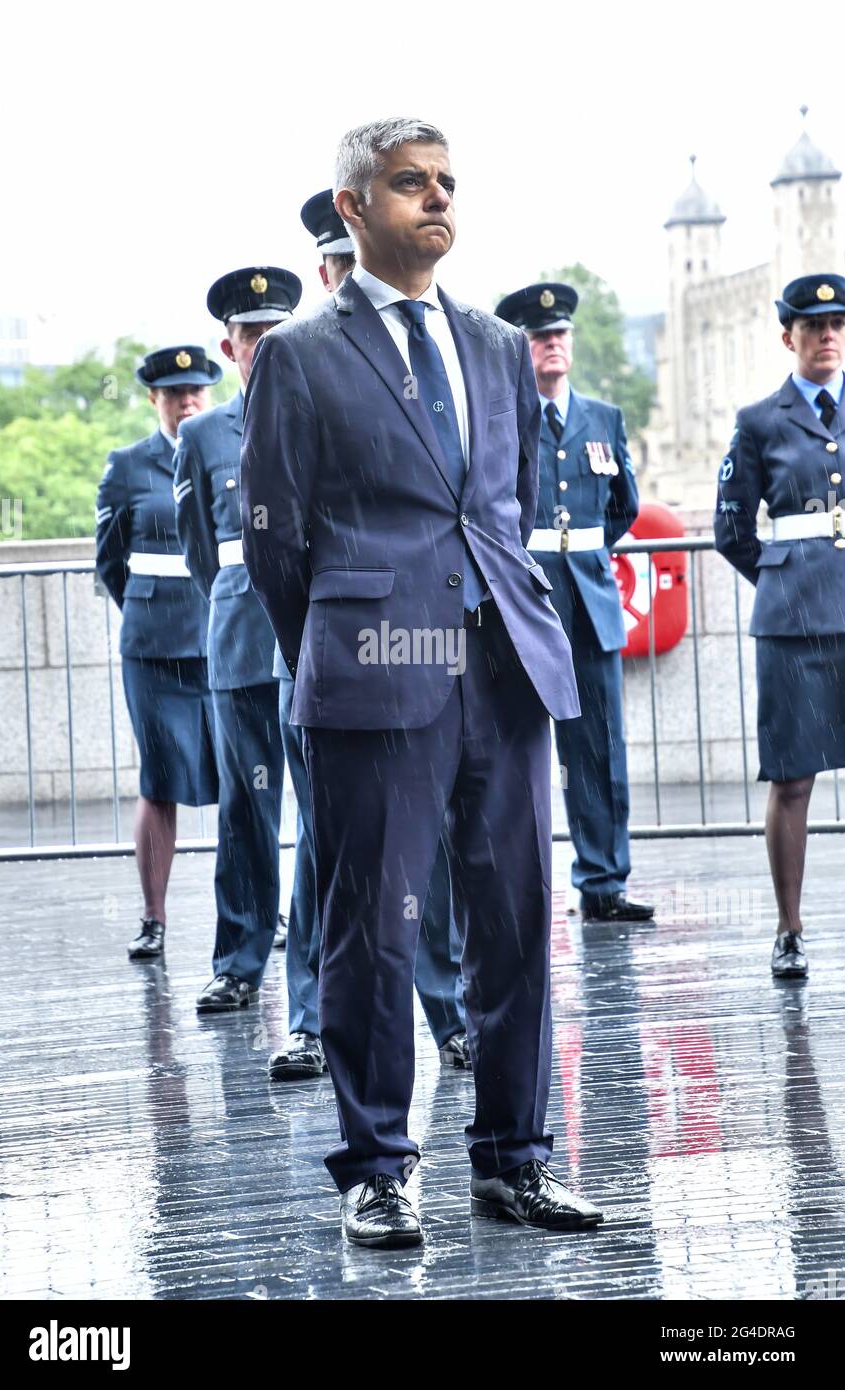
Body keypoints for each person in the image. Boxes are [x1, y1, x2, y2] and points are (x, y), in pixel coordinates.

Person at [242, 118, 603, 1248]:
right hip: (373, 678)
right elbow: (275, 542)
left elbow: (498, 505)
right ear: (352, 207)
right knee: (374, 931)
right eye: (409, 183)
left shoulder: (497, 346)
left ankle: (513, 1162)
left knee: (514, 923)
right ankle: (379, 1168)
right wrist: (341, 647)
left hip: (501, 671)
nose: (436, 199)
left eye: (446, 182)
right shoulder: (300, 355)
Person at [268, 189, 469, 1081]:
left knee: (436, 863)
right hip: (335, 658)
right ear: (330, 268)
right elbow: (274, 540)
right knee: (340, 862)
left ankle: (449, 1010)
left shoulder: (462, 355)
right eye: (346, 269)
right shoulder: (302, 361)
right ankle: (311, 1016)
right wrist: (322, 643)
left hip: (444, 654)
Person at [495, 283, 654, 925]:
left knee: (599, 750)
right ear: (520, 349)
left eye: (560, 333)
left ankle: (603, 881)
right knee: (515, 749)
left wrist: (581, 554)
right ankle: (514, 883)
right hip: (528, 601)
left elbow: (624, 508)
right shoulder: (501, 418)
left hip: (589, 601)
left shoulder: (604, 419)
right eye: (539, 336)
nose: (552, 343)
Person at [174, 267, 301, 1012]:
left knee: (321, 816)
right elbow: (200, 550)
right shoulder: (200, 435)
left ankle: (320, 986)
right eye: (252, 334)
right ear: (230, 347)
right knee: (245, 811)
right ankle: (240, 961)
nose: (264, 344)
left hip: (312, 640)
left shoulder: (321, 413)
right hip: (240, 639)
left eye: (275, 332)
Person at [715, 272, 845, 980]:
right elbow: (731, 526)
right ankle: (790, 929)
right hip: (793, 622)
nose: (827, 335)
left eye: (837, 324)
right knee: (793, 781)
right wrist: (783, 576)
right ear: (787, 336)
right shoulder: (760, 419)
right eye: (813, 325)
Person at [96, 346, 220, 959]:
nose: (186, 401)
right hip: (152, 652)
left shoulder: (229, 450)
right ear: (155, 400)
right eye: (174, 393)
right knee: (160, 779)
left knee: (247, 783)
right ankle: (153, 917)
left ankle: (256, 917)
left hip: (222, 642)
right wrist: (150, 611)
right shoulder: (127, 466)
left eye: (195, 390)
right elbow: (109, 562)